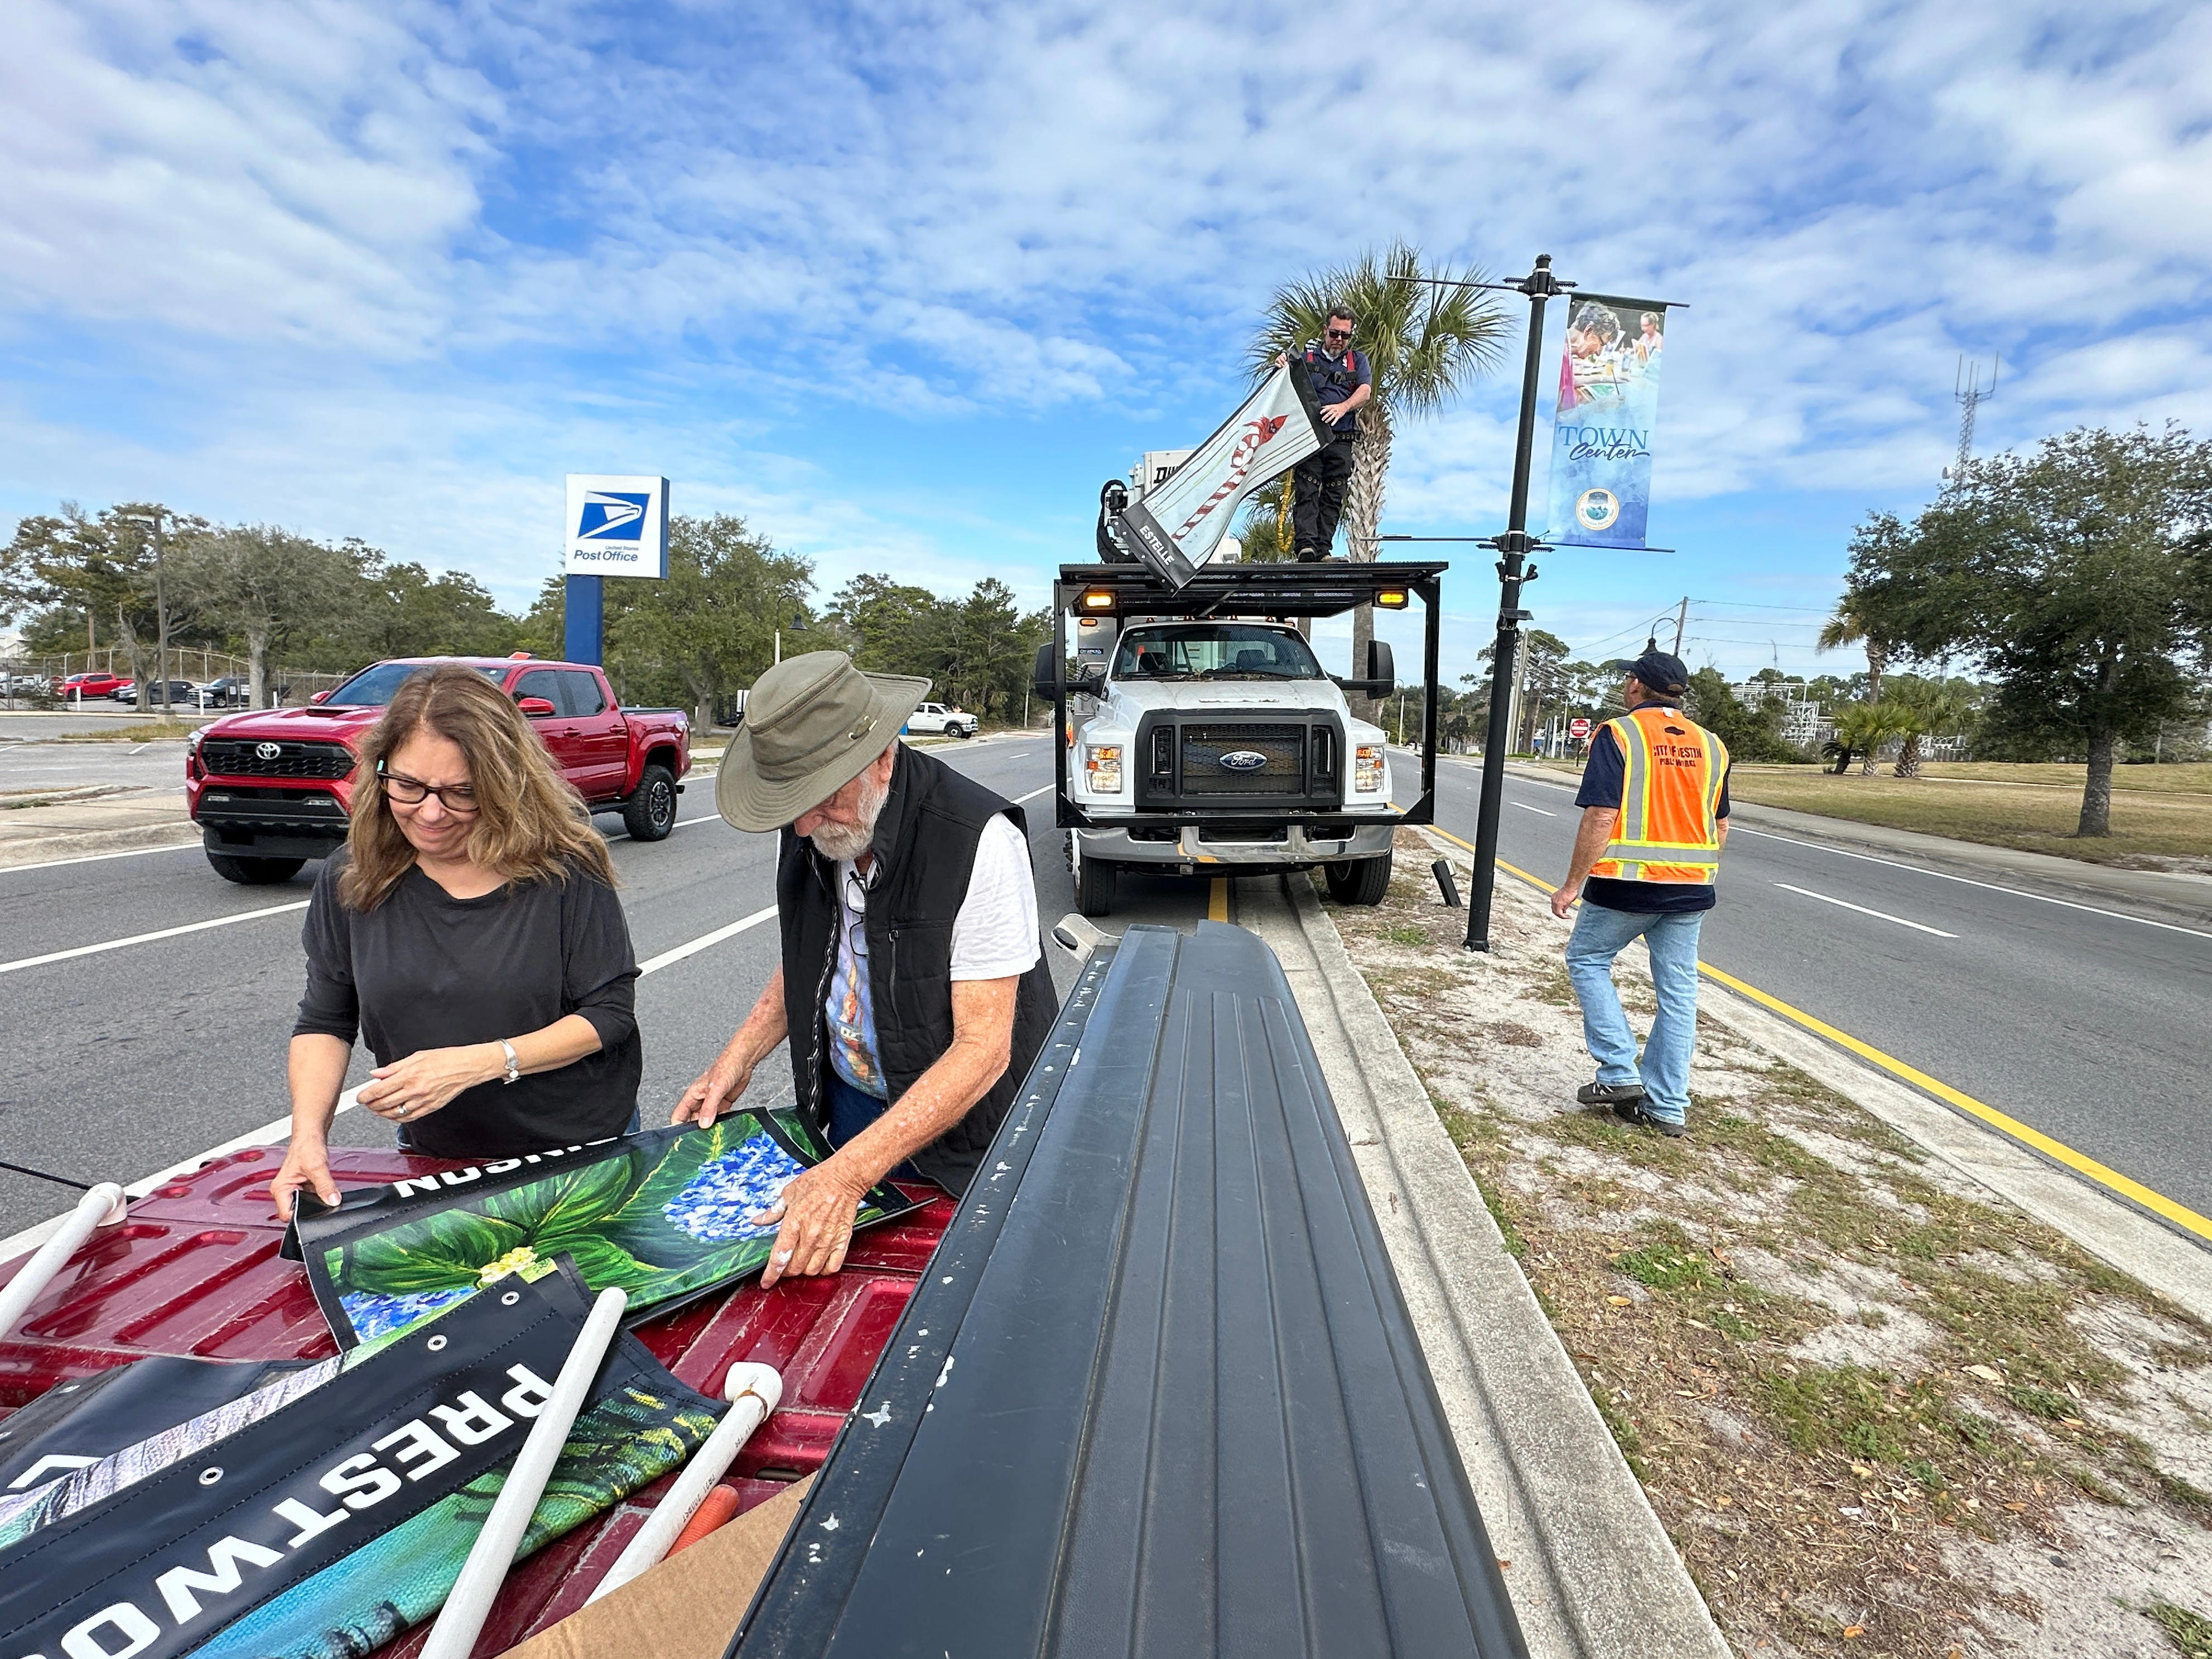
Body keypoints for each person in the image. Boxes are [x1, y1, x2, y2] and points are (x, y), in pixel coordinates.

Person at [674, 651, 1054, 1287]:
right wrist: (735, 1059)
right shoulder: (811, 817)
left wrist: (847, 1175)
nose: (801, 824)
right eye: (791, 803)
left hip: (963, 1122)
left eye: (820, 797)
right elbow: (811, 952)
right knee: (839, 1286)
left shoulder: (977, 839)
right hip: (855, 1096)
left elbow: (984, 1051)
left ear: (882, 755)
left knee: (940, 1293)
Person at [271, 665, 642, 1218]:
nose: (430, 812)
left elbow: (609, 1015)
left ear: (503, 783)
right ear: (379, 771)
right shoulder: (353, 876)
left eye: (461, 793)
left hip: (580, 1152)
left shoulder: (565, 868)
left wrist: (482, 1063)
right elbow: (325, 1020)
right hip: (435, 1155)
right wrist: (307, 1136)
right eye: (408, 785)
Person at [1548, 650, 1731, 1137]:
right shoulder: (1712, 745)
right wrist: (1697, 872)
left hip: (1625, 885)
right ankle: (1668, 1106)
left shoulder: (1619, 734)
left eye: (1628, 678)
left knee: (1587, 960)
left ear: (1635, 686)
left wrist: (1572, 884)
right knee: (1678, 994)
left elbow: (1601, 816)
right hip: (1690, 889)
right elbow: (1720, 824)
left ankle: (1618, 1074)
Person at [1281, 307, 1371, 560]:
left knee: (1335, 493)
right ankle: (1306, 547)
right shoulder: (1307, 359)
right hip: (1311, 438)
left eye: (1345, 335)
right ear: (1325, 330)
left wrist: (1343, 408)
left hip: (1342, 439)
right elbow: (1283, 380)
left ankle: (1323, 551)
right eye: (1334, 333)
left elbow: (1364, 392)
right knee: (1307, 490)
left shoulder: (1358, 360)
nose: (1339, 340)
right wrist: (1281, 365)